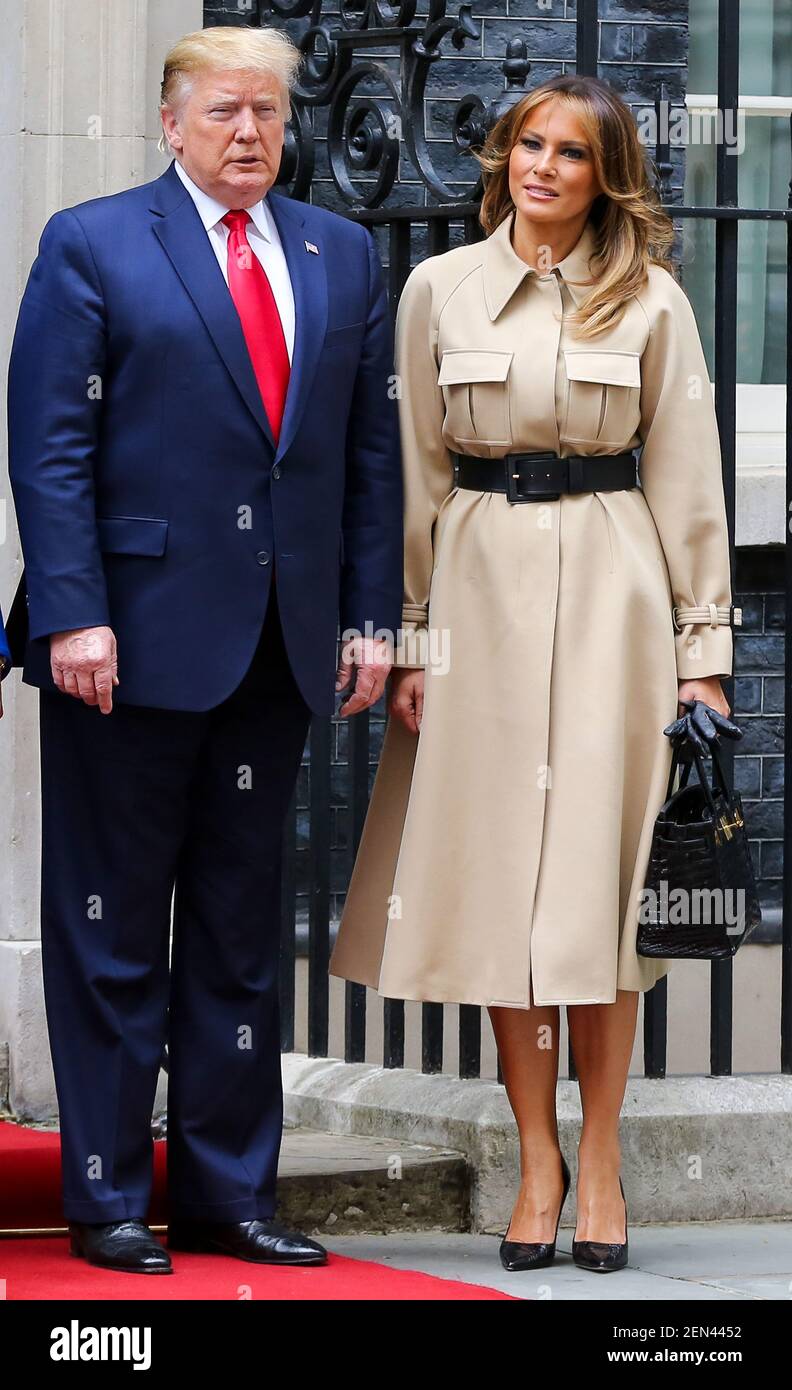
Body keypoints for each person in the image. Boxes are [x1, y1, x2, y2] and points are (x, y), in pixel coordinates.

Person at [7, 26, 401, 1274]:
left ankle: (231, 1193)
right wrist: (73, 611)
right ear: (171, 122)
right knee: (113, 928)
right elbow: (50, 449)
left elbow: (367, 463)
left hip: (279, 652)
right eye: (225, 111)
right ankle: (111, 1194)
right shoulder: (94, 241)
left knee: (240, 934)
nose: (249, 134)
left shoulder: (342, 255)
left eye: (268, 115)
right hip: (120, 647)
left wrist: (373, 616)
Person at [329, 74, 738, 1274]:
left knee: (601, 908)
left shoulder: (654, 300)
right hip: (481, 602)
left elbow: (688, 480)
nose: (541, 167)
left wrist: (701, 659)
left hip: (617, 600)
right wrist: (408, 636)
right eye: (527, 145)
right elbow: (411, 473)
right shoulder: (436, 290)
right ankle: (536, 1158)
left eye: (569, 152)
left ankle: (601, 1159)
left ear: (605, 173)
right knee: (511, 896)